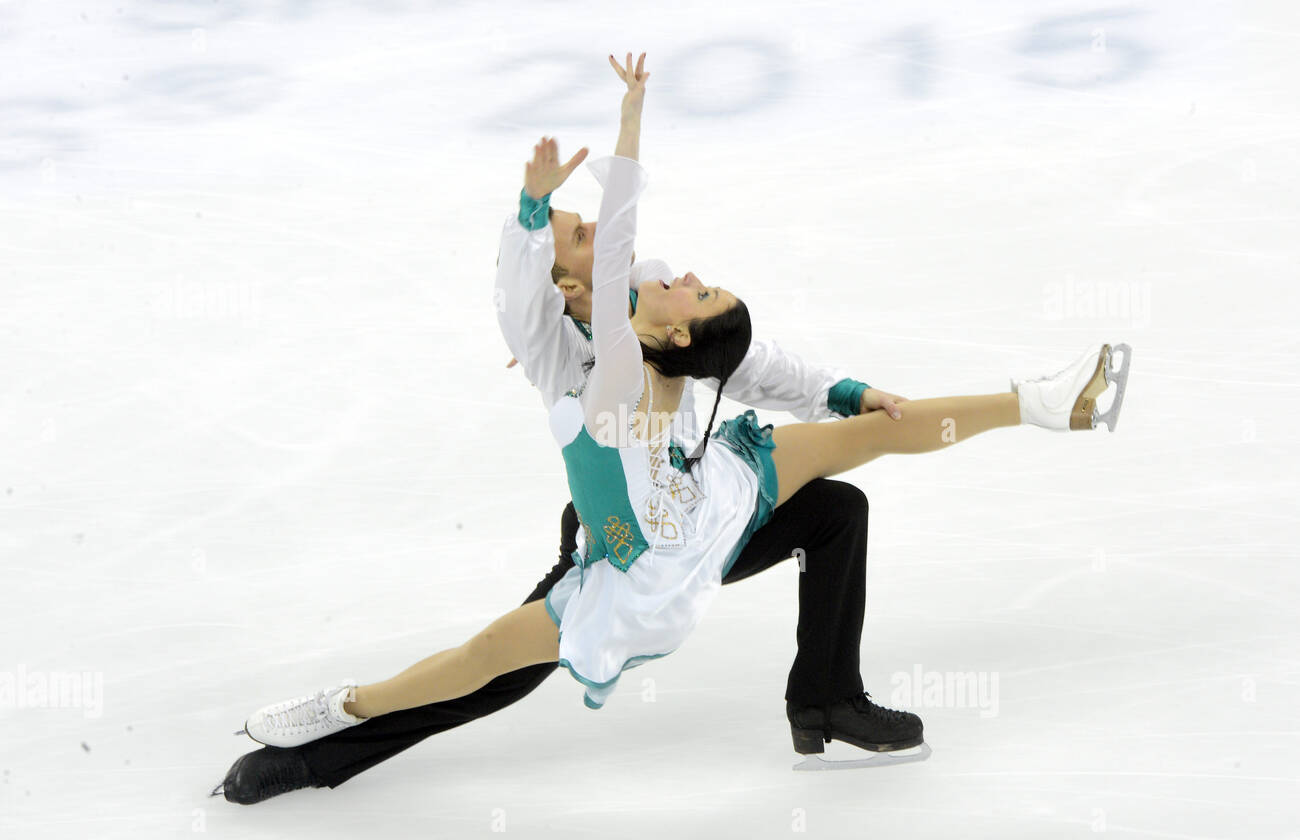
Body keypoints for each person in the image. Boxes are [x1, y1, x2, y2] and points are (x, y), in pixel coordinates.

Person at [233, 54, 1131, 762]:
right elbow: (576, 275)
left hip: (697, 501)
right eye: (583, 240)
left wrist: (850, 391)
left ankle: (1047, 408)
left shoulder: (644, 315)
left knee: (855, 472)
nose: (678, 276)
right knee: (489, 664)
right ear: (573, 283)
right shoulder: (588, 347)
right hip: (622, 535)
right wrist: (570, 172)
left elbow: (748, 353)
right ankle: (339, 723)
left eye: (687, 291)